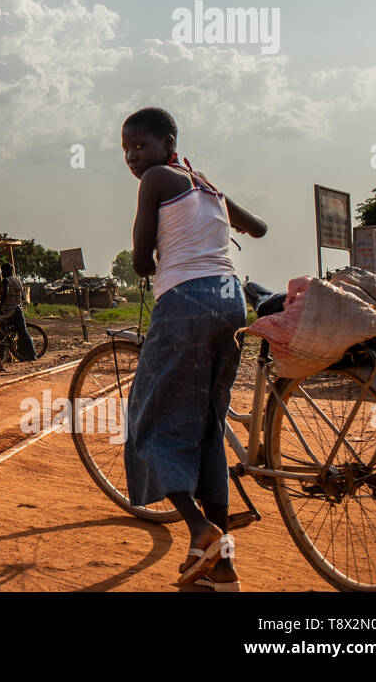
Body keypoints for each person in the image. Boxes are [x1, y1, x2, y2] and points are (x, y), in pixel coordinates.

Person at [121, 107, 267, 591]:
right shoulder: (206, 185)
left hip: (184, 300)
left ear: (168, 142)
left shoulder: (158, 179)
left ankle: (200, 527)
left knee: (151, 418)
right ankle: (220, 567)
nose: (133, 157)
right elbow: (259, 228)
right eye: (127, 150)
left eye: (140, 146)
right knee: (207, 424)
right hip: (230, 302)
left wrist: (152, 257)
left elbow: (141, 258)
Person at [0, 262, 36, 365]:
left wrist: (0, 305)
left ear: (7, 271)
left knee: (2, 331)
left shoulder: (6, 281)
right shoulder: (18, 281)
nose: (2, 273)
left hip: (9, 311)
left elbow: (5, 293)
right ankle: (32, 355)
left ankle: (0, 357)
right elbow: (23, 297)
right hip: (18, 310)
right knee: (24, 333)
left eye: (3, 271)